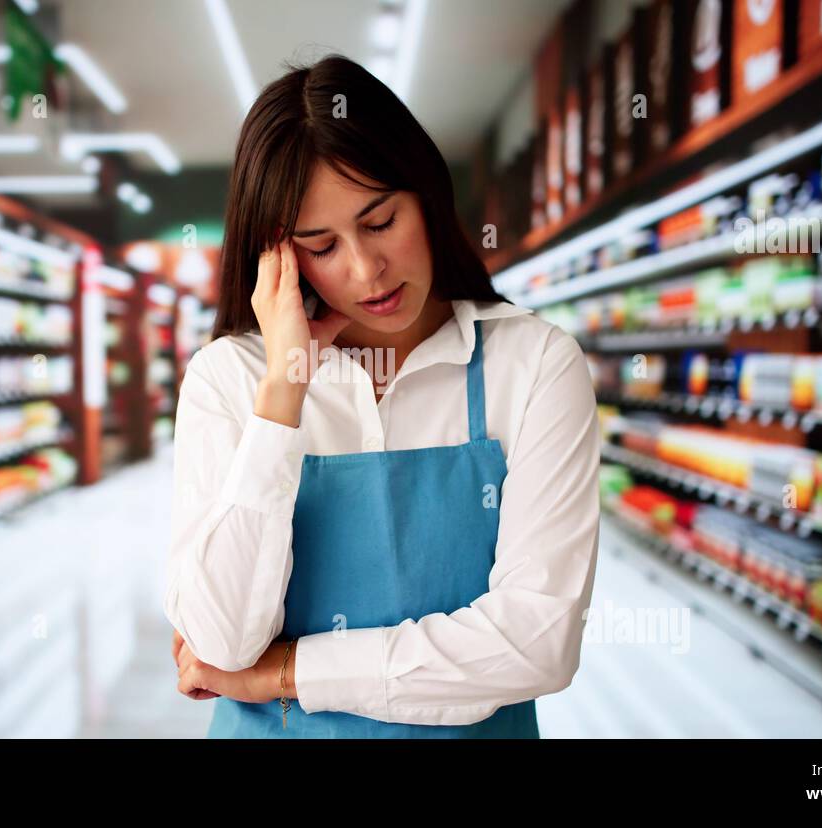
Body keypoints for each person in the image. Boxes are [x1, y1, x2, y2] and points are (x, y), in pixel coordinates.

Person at [165, 54, 599, 738]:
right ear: (278, 257)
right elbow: (218, 644)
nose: (366, 269)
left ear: (426, 194)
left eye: (380, 220)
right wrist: (284, 389)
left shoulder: (534, 363)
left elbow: (537, 641)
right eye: (321, 245)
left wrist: (285, 675)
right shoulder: (230, 379)